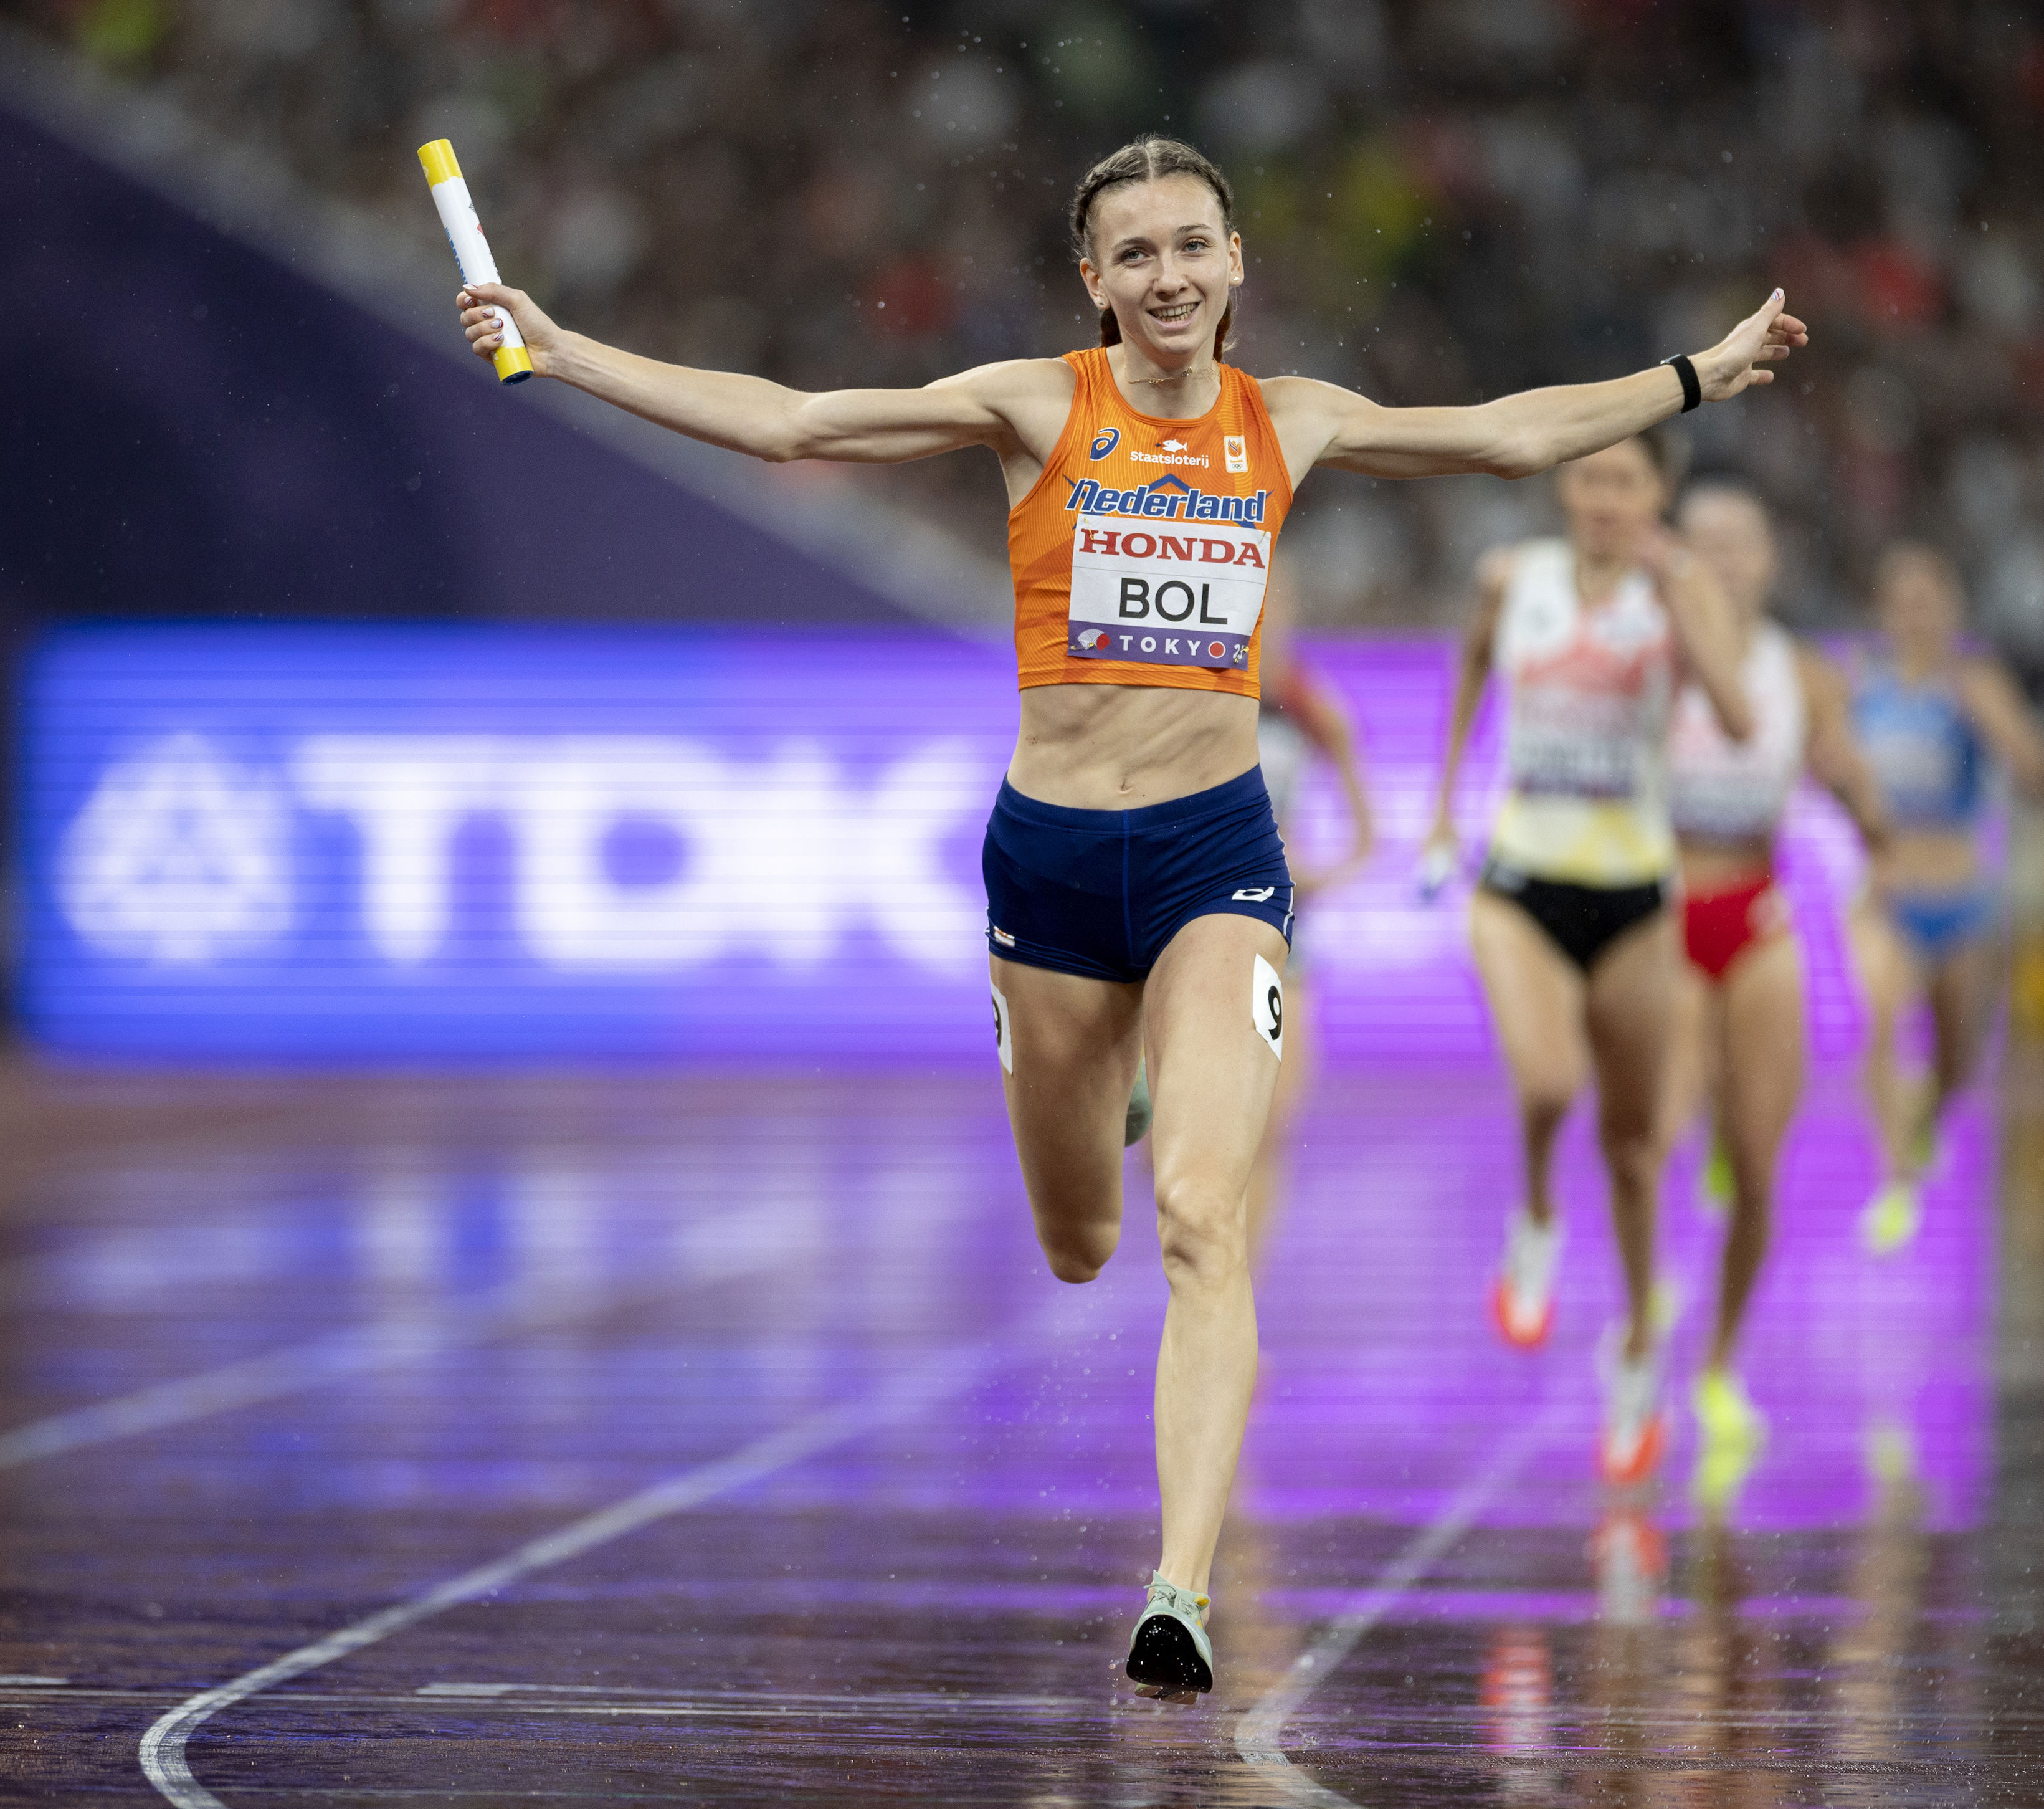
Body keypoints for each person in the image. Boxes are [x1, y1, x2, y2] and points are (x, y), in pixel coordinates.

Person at [457, 132, 1804, 1696]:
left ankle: (1180, 1582)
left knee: (1197, 1215)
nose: (1168, 277)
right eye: (1136, 254)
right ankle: (1061, 1060)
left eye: (1192, 246)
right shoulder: (1033, 403)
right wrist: (559, 351)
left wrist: (1694, 375)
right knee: (1079, 1239)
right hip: (1044, 868)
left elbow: (1509, 437)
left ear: (1236, 266)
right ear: (1091, 281)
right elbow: (789, 422)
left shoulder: (1285, 423)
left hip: (1212, 857)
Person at [1422, 433, 1754, 1486]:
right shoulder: (1509, 577)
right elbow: (1472, 663)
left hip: (1633, 896)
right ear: (1563, 486)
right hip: (1519, 877)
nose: (1605, 498)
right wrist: (1439, 807)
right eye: (1589, 478)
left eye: (1626, 481)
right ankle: (1531, 1215)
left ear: (1657, 493)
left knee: (1634, 1150)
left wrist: (1680, 599)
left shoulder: (1675, 586)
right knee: (1547, 1079)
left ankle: (1637, 1348)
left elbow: (1739, 721)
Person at [1653, 483, 1888, 1499]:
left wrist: (1871, 817)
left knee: (1757, 1164)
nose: (1720, 559)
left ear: (1768, 560)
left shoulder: (1800, 670)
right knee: (1655, 1127)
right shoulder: (1652, 652)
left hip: (1755, 912)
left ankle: (1716, 1368)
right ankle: (1639, 1314)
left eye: (1738, 541)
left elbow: (1850, 785)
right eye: (1700, 542)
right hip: (1660, 909)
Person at [1846, 543, 2044, 1254]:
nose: (1915, 614)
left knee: (1956, 1057)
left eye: (1927, 600)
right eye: (1902, 601)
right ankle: (1894, 1178)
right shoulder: (1860, 688)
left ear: (1950, 608)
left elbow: (2034, 769)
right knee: (1875, 1022)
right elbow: (1836, 776)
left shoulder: (1974, 682)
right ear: (1882, 611)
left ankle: (1928, 1115)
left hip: (1961, 900)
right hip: (1889, 896)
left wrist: (1990, 721)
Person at [1242, 565, 1376, 1266]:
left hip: (1283, 935)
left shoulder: (1309, 705)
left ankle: (1236, 1302)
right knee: (1168, 1141)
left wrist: (1316, 877)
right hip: (1184, 926)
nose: (1268, 617)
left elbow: (1366, 835)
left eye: (1280, 601)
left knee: (1270, 1126)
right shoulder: (1189, 693)